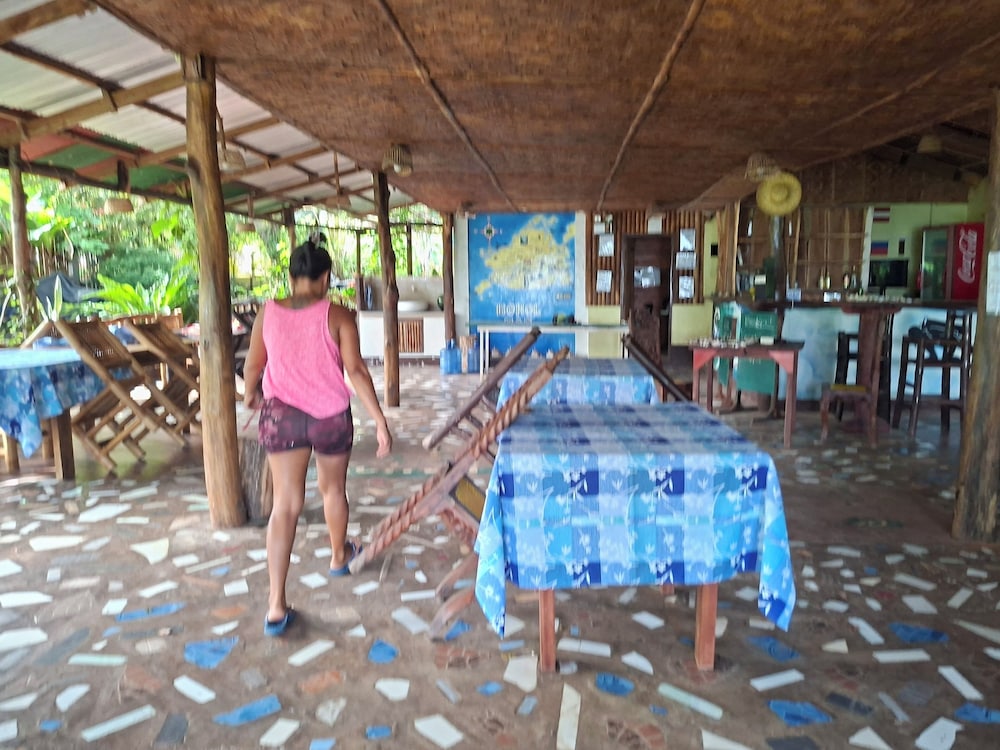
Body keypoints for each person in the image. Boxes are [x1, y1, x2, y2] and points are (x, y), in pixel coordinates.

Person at [243, 239, 392, 636]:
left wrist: (250, 395)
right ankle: (338, 555)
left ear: (291, 277)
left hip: (283, 419)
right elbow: (356, 371)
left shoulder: (267, 314)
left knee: (285, 506)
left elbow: (254, 366)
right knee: (332, 490)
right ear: (325, 277)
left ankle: (276, 604)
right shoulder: (338, 315)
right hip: (329, 417)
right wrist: (379, 420)